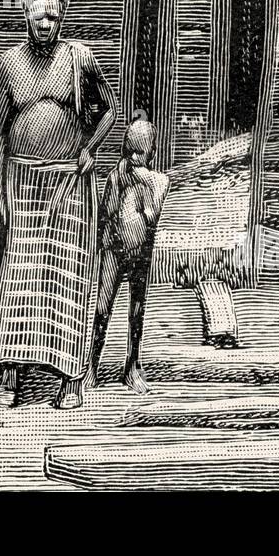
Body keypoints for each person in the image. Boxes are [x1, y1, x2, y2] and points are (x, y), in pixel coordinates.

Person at [0, 0, 116, 409]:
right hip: (22, 181)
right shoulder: (8, 64)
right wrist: (1, 190)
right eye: (39, 15)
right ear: (25, 14)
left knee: (67, 275)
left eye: (54, 17)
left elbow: (108, 111)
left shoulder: (80, 58)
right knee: (19, 276)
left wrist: (90, 149)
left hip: (69, 181)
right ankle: (8, 377)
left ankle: (70, 379)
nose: (46, 24)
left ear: (62, 19)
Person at [86, 118, 169, 394]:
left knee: (137, 310)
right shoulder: (116, 175)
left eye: (139, 152)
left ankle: (132, 366)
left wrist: (141, 182)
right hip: (113, 249)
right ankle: (91, 367)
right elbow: (105, 211)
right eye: (128, 151)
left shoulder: (158, 181)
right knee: (101, 308)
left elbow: (152, 215)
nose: (133, 158)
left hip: (141, 251)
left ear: (151, 153)